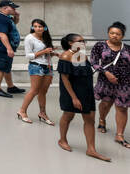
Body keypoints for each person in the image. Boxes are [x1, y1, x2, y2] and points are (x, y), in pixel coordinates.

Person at [57, 33, 110, 161]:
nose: (83, 42)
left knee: (90, 119)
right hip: (71, 92)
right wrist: (74, 98)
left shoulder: (81, 55)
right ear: (70, 43)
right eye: (80, 41)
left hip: (86, 91)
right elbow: (65, 80)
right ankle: (62, 140)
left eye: (83, 40)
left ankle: (91, 149)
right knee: (68, 115)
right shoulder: (66, 56)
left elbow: (83, 74)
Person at [90, 21, 130, 149]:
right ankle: (102, 120)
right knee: (106, 103)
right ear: (108, 33)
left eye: (118, 34)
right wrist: (105, 72)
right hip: (106, 80)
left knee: (122, 107)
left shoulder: (127, 48)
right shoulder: (100, 46)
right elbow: (93, 61)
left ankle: (119, 135)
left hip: (124, 83)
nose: (114, 36)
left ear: (122, 36)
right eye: (112, 33)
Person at [17, 17, 56, 125]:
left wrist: (53, 53)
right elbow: (29, 55)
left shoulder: (46, 38)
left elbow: (47, 54)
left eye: (40, 26)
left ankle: (42, 113)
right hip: (36, 66)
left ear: (45, 28)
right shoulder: (29, 38)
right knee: (34, 90)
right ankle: (22, 111)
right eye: (35, 26)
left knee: (43, 92)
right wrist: (44, 51)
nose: (38, 28)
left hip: (48, 66)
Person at [0, 0, 23, 98]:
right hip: (1, 47)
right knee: (0, 68)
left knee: (6, 68)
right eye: (13, 8)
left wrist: (17, 16)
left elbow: (14, 24)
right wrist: (9, 49)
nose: (14, 9)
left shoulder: (6, 17)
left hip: (5, 46)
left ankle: (11, 87)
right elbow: (2, 35)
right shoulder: (1, 19)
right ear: (5, 8)